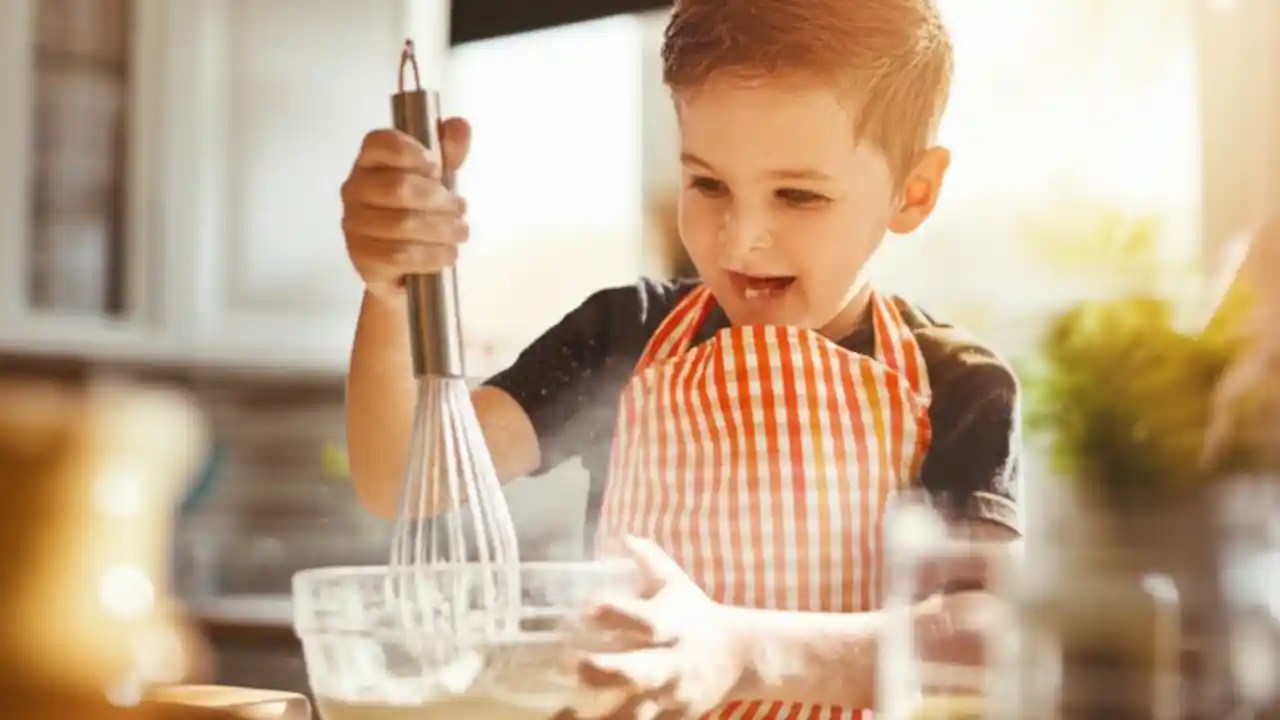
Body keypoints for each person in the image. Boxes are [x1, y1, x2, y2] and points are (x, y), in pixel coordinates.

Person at [341, 0, 1023, 716]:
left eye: (798, 195)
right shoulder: (623, 336)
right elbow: (401, 480)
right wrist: (391, 287)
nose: (739, 239)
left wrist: (740, 650)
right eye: (708, 184)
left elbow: (974, 636)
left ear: (912, 192)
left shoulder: (955, 387)